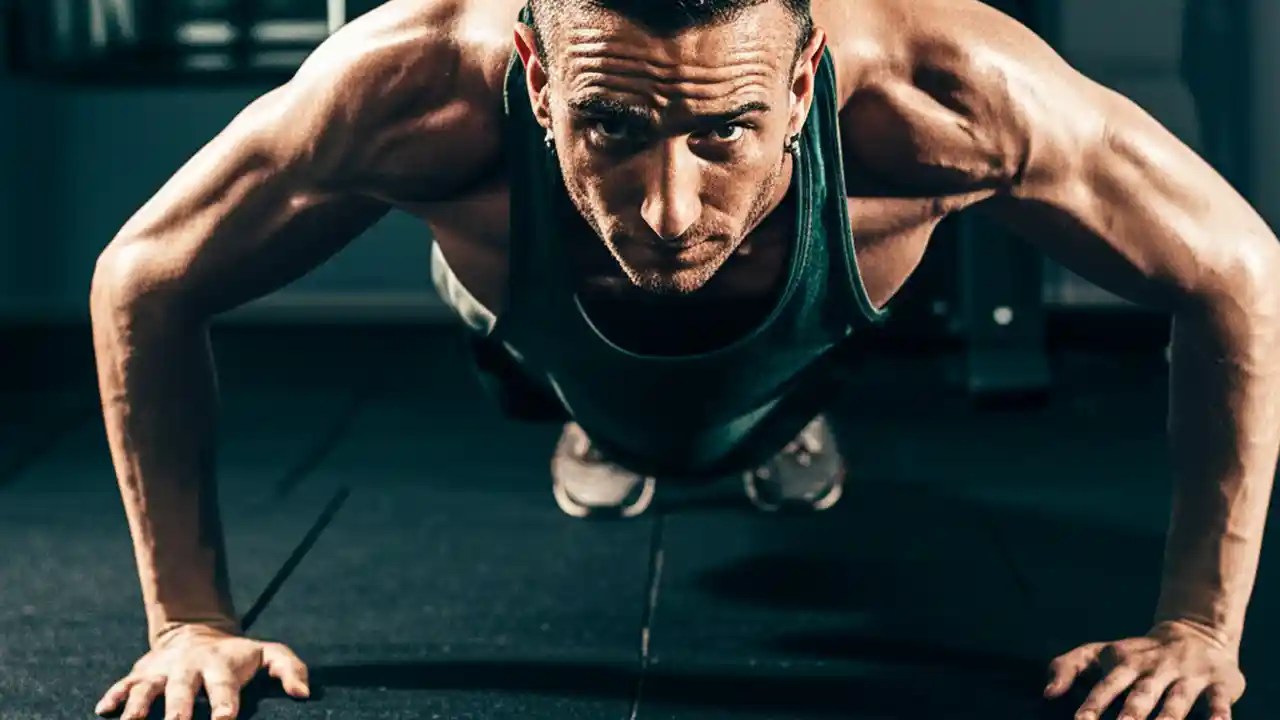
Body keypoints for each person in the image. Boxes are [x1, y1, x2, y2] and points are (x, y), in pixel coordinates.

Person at [88, 1, 1280, 719]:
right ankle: (584, 406)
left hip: (807, 341)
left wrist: (1196, 628)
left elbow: (1236, 269)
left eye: (722, 134)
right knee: (551, 339)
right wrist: (186, 620)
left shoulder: (948, 92)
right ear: (540, 78)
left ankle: (766, 405)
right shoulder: (409, 86)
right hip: (527, 326)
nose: (666, 208)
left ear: (802, 80)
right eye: (611, 126)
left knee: (755, 378)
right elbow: (143, 274)